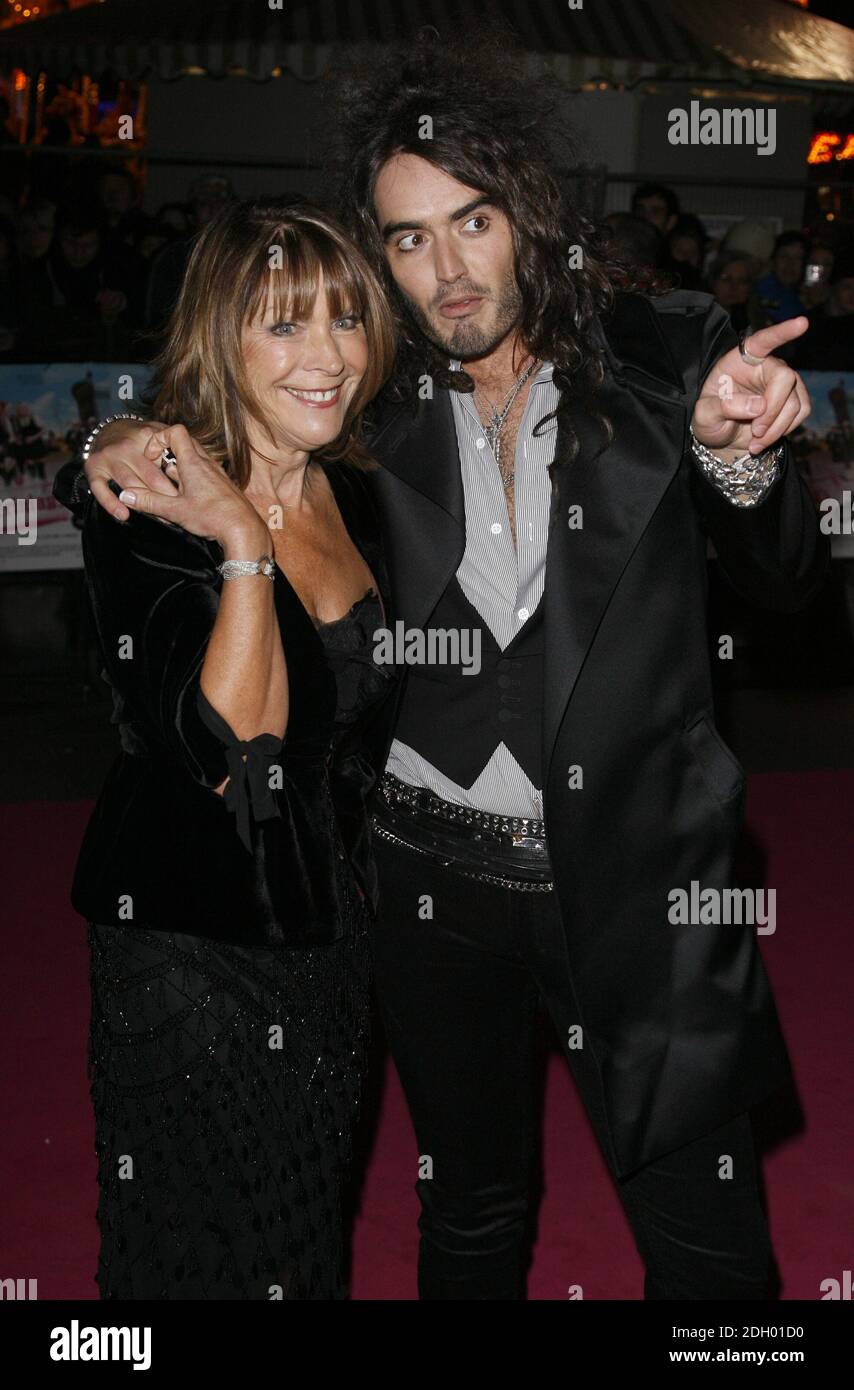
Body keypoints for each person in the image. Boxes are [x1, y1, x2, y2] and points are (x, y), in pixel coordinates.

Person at [63, 31, 828, 1301]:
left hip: (637, 885)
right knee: (468, 1215)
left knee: (710, 1256)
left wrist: (741, 458)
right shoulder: (366, 400)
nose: (447, 267)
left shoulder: (664, 355)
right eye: (406, 238)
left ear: (526, 214)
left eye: (470, 221)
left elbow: (790, 585)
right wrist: (115, 428)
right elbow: (227, 392)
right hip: (421, 885)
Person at [52, 198, 399, 1299]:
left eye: (346, 319)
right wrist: (244, 543)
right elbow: (233, 754)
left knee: (301, 1232)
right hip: (191, 946)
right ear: (219, 334)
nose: (328, 356)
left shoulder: (362, 490)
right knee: (194, 1245)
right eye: (285, 325)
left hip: (331, 938)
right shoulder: (145, 504)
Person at [756, 231, 809, 326]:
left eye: (798, 258)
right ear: (773, 261)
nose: (790, 264)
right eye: (784, 256)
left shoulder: (799, 293)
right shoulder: (765, 288)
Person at [707, 250, 758, 334]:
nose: (734, 287)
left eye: (742, 281)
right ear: (713, 282)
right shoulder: (698, 318)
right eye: (726, 279)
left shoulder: (758, 321)